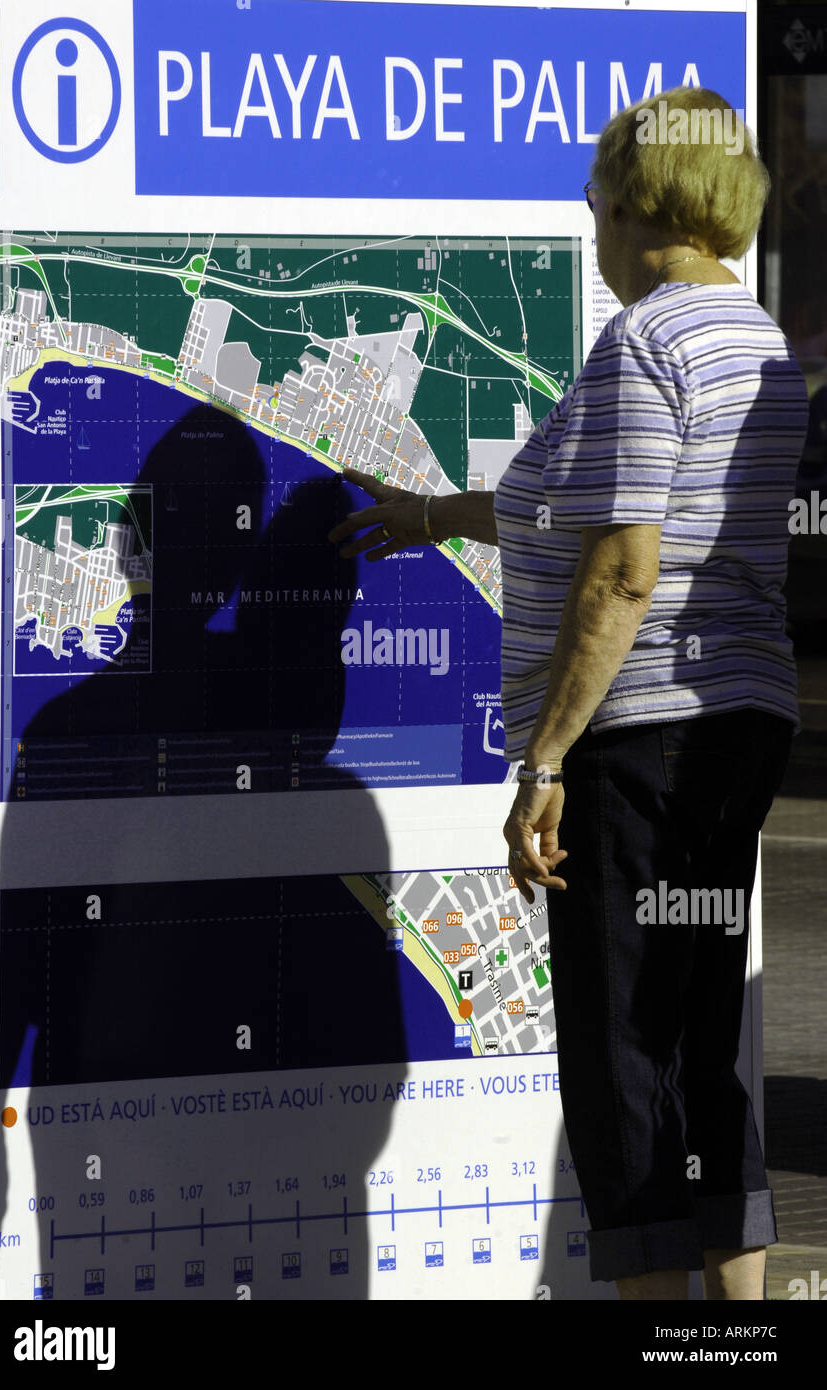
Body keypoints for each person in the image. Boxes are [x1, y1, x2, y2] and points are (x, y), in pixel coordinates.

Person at [329, 86, 809, 1300]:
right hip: (735, 729)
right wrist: (432, 515)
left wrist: (543, 759)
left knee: (617, 1051)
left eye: (593, 196)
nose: (588, 222)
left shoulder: (646, 342)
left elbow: (624, 566)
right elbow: (585, 512)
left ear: (639, 204)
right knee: (697, 1035)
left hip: (642, 741)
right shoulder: (748, 336)